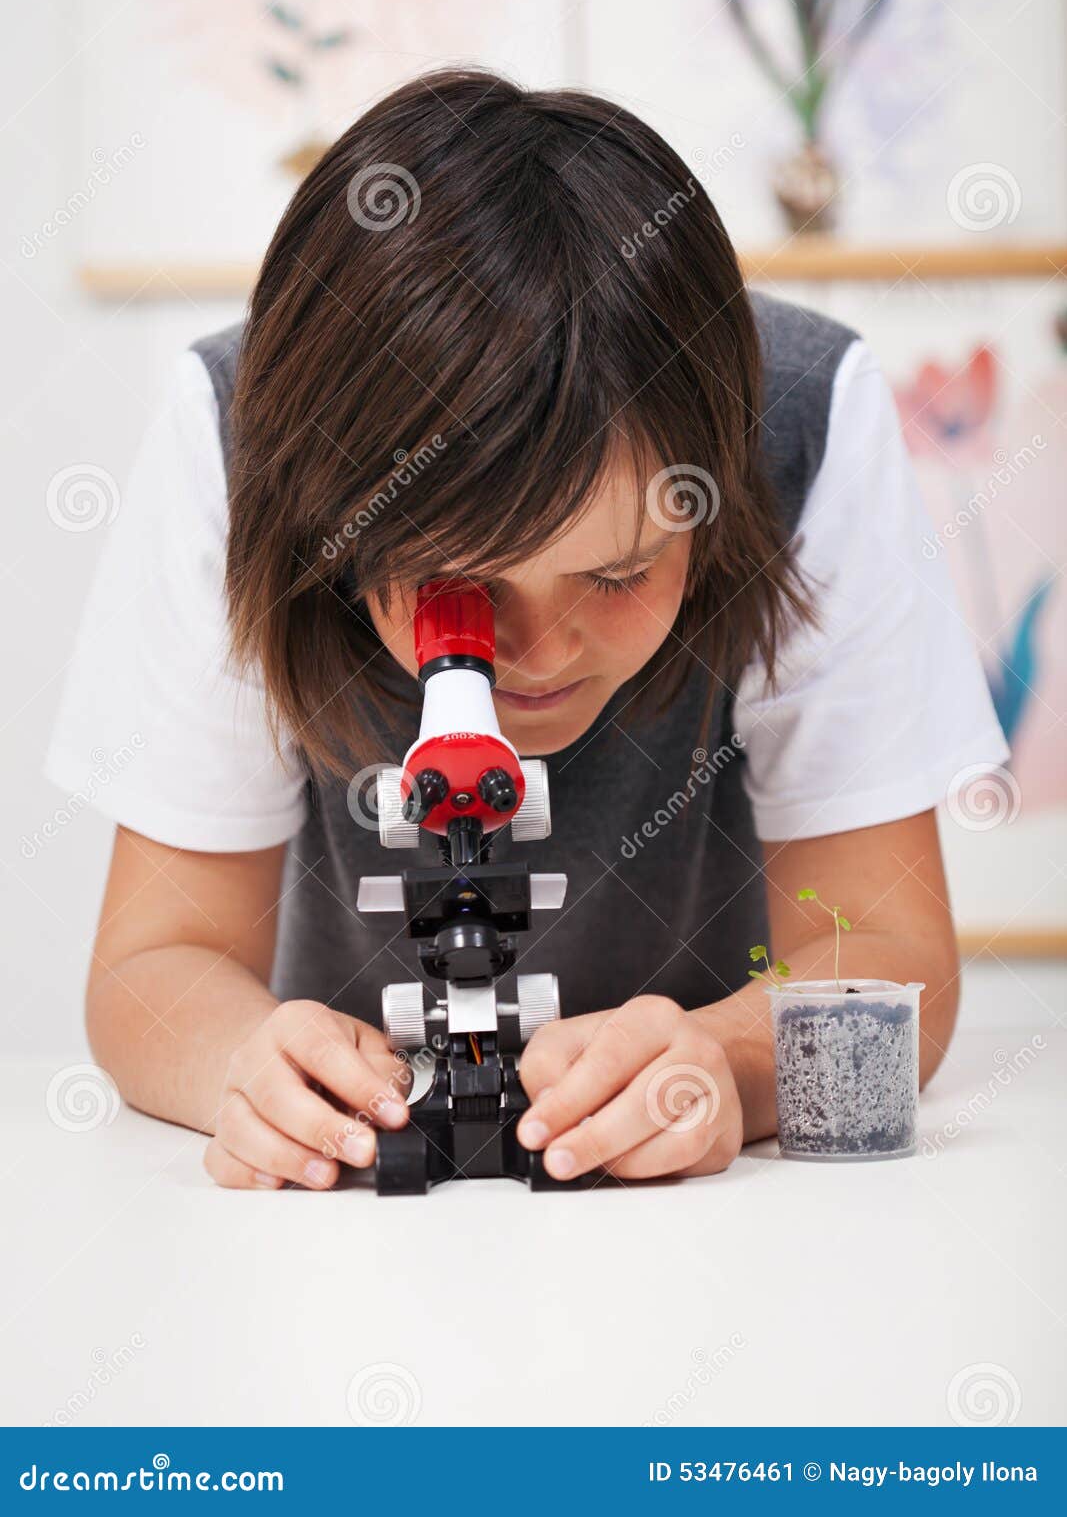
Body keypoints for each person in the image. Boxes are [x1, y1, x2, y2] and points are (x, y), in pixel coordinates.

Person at [45, 67, 1007, 1190]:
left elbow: (889, 959)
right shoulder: (238, 431)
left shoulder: (804, 418)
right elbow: (156, 962)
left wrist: (732, 1066)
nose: (538, 657)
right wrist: (243, 1070)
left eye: (618, 573)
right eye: (462, 591)